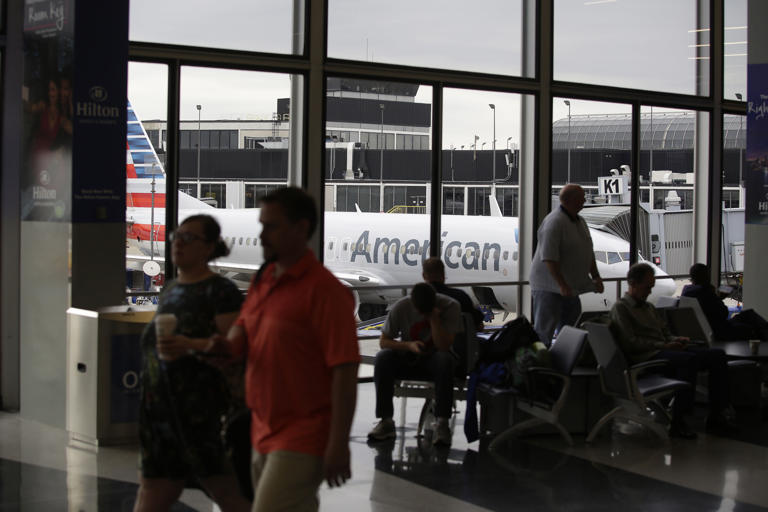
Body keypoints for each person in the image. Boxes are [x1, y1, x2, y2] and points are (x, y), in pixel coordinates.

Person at [217, 187, 360, 511]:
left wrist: (338, 444)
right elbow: (243, 333)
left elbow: (345, 372)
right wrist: (215, 346)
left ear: (300, 228)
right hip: (261, 425)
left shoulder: (326, 292)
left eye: (271, 226)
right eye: (262, 225)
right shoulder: (264, 279)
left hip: (303, 433)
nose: (262, 235)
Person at [134, 214, 250, 512]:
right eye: (177, 236)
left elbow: (233, 350)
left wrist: (190, 346)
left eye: (190, 238)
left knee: (221, 489)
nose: (179, 244)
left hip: (196, 411)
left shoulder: (219, 291)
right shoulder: (172, 289)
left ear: (208, 248)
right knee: (155, 488)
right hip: (160, 410)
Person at [610, 263, 737, 438]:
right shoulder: (621, 308)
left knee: (717, 356)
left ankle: (717, 412)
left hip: (663, 351)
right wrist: (664, 345)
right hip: (647, 357)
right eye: (647, 287)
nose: (649, 291)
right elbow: (631, 343)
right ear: (633, 284)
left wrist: (676, 340)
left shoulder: (649, 308)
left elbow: (665, 333)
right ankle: (679, 419)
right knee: (688, 361)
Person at [368, 282, 462, 447]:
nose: (421, 314)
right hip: (408, 356)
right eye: (419, 311)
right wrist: (408, 346)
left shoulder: (450, 306)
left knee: (445, 360)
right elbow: (384, 342)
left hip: (435, 358)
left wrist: (434, 320)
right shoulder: (401, 307)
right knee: (383, 358)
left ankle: (442, 422)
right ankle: (386, 420)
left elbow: (444, 347)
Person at [529, 184, 604, 345]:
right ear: (571, 200)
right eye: (582, 198)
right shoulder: (554, 222)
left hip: (570, 288)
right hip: (549, 288)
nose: (585, 200)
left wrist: (596, 276)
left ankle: (563, 363)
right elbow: (549, 257)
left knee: (571, 331)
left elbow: (588, 250)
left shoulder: (580, 222)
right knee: (544, 332)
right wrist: (561, 284)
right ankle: (540, 366)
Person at [682, 263, 768, 341]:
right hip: (721, 331)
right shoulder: (706, 292)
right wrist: (719, 298)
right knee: (751, 318)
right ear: (706, 276)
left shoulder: (687, 293)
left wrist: (717, 298)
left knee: (748, 315)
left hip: (710, 329)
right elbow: (723, 313)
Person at [422, 257, 484, 331]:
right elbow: (479, 326)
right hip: (460, 341)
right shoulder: (460, 296)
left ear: (423, 276)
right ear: (443, 275)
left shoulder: (416, 300)